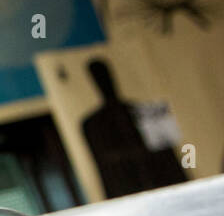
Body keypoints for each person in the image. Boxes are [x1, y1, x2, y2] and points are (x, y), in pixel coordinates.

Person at [80, 59, 187, 197]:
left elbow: (171, 156)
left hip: (163, 189)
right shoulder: (91, 124)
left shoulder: (149, 112)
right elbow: (103, 170)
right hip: (132, 194)